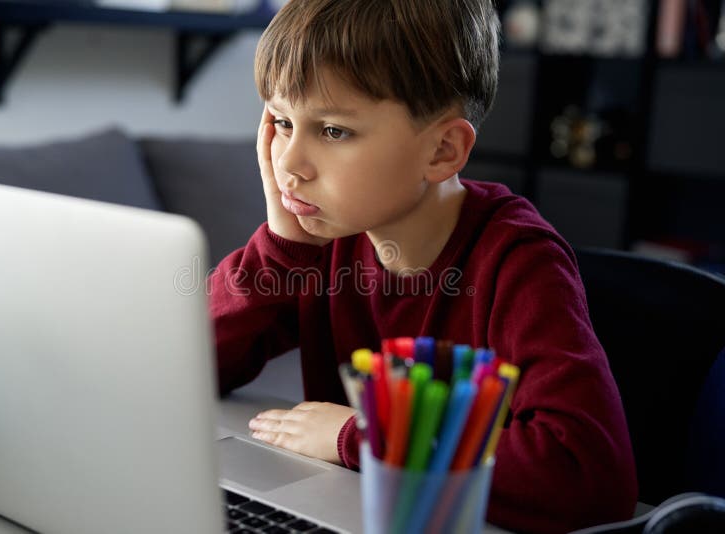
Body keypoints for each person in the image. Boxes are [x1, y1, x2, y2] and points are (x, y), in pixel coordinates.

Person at [208, 0, 638, 532]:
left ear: (442, 150)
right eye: (281, 122)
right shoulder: (325, 244)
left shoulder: (518, 264)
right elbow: (190, 365)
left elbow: (585, 474)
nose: (290, 164)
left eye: (334, 131)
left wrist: (363, 437)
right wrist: (281, 244)